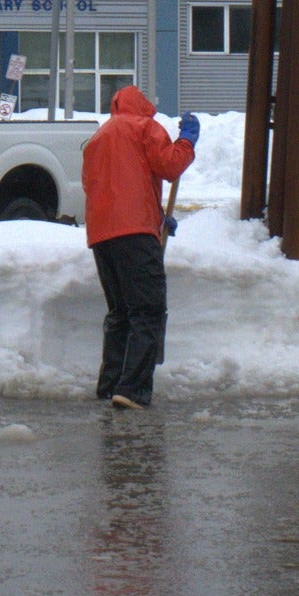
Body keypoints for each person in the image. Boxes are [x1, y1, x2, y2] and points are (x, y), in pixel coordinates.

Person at [81, 87, 198, 410]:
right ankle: (132, 390)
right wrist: (187, 141)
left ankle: (110, 385)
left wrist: (158, 218)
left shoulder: (97, 139)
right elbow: (170, 166)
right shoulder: (144, 127)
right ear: (143, 104)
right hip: (135, 234)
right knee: (147, 311)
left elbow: (108, 186)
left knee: (120, 313)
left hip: (102, 236)